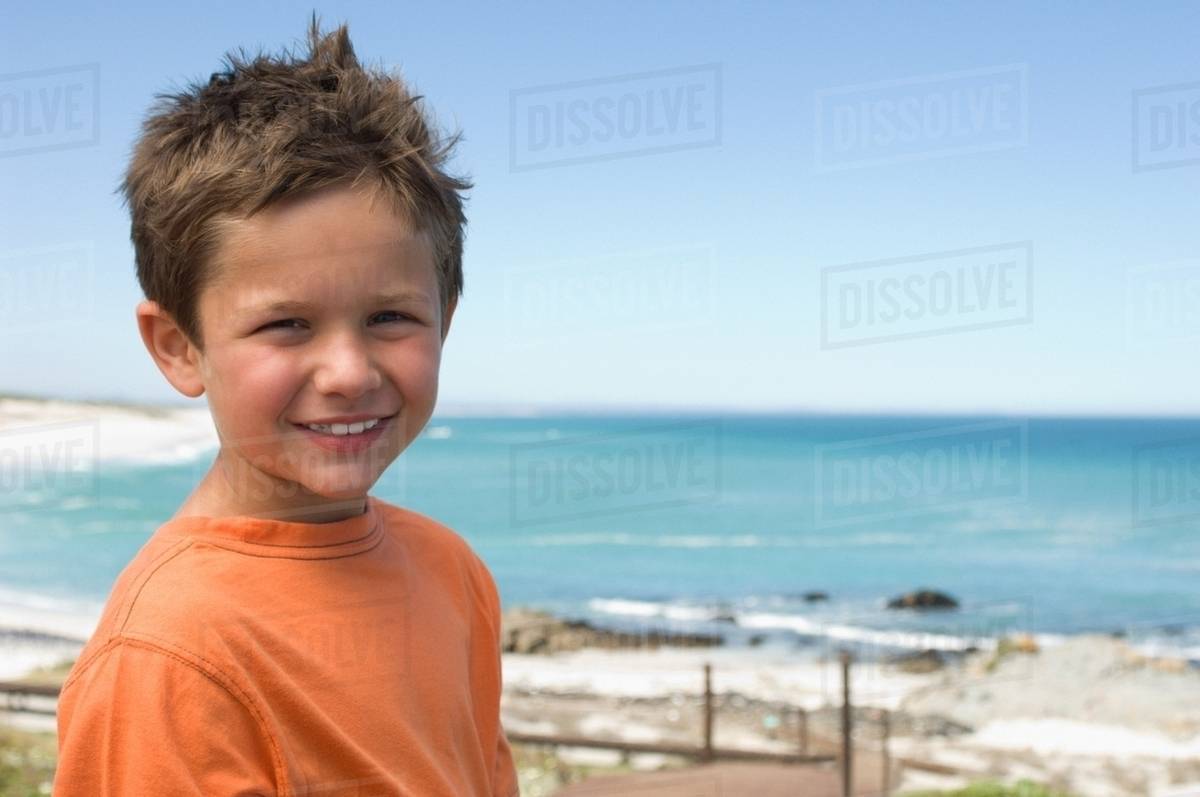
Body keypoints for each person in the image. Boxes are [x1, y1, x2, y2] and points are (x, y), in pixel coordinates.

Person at [53, 15, 519, 796]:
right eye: (286, 324)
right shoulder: (167, 658)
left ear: (445, 318)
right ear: (178, 346)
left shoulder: (454, 570)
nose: (346, 371)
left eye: (390, 317)